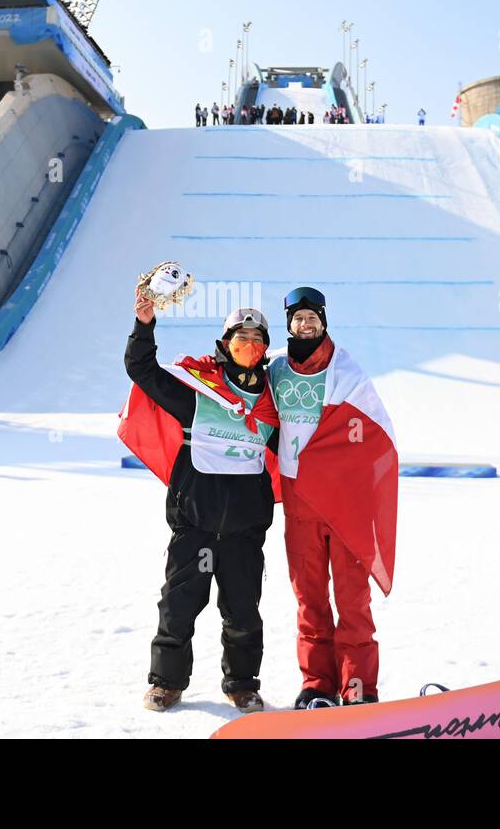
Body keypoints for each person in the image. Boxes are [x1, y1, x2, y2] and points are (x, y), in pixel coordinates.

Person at [119, 296, 281, 714]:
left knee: (244, 613)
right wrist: (144, 325)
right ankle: (166, 683)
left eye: (257, 338)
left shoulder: (272, 405)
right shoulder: (198, 394)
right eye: (240, 337)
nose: (249, 344)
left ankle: (242, 684)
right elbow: (143, 372)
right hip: (195, 527)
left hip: (244, 533)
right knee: (178, 608)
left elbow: (303, 445)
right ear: (224, 344)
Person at [267, 287, 399, 709]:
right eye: (298, 319)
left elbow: (377, 434)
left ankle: (358, 688)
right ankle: (317, 685)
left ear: (324, 322)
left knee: (352, 600)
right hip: (300, 503)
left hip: (344, 505)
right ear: (289, 325)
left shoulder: (347, 372)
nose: (306, 325)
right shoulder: (275, 372)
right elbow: (240, 393)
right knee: (310, 599)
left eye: (313, 318)